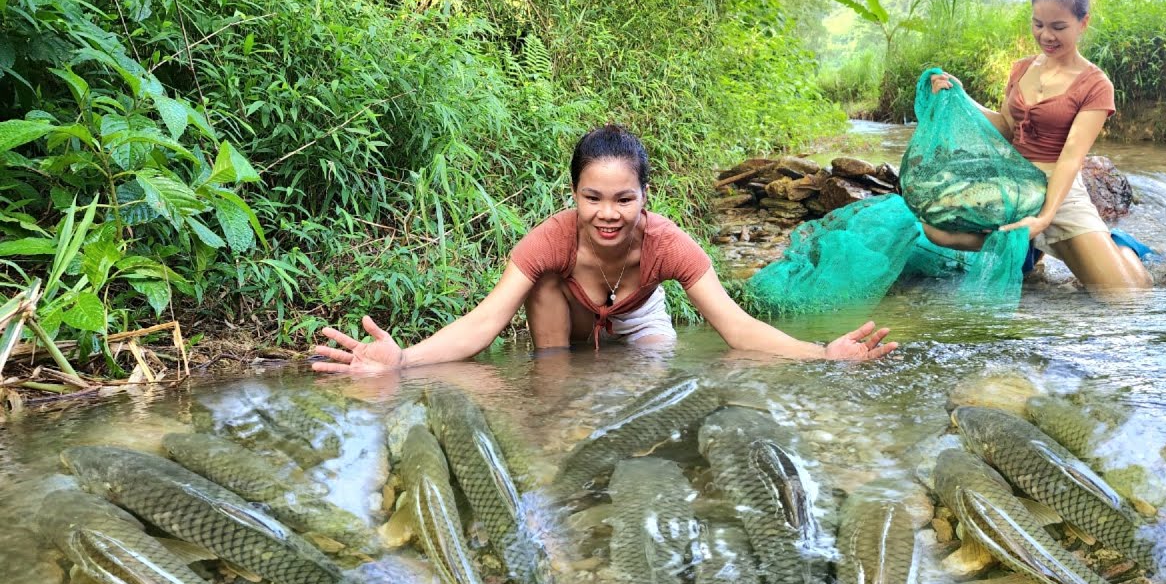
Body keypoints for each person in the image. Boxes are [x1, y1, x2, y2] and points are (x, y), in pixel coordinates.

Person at [312, 125, 897, 373]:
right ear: (574, 195)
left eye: (624, 198)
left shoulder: (671, 245)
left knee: (646, 383)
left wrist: (822, 355)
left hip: (640, 319)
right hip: (565, 318)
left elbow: (736, 328)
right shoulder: (550, 238)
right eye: (593, 198)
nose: (608, 214)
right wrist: (405, 361)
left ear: (645, 197)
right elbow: (486, 320)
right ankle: (554, 383)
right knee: (542, 287)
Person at [921, 0, 1153, 291]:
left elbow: (1071, 158)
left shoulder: (1096, 85)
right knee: (936, 228)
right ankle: (1029, 249)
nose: (1046, 36)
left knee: (1127, 296)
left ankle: (1123, 246)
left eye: (1058, 27)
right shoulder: (1021, 69)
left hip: (1060, 188)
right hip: (1014, 184)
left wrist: (1043, 219)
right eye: (1038, 24)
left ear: (1082, 24)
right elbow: (1005, 127)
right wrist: (961, 96)